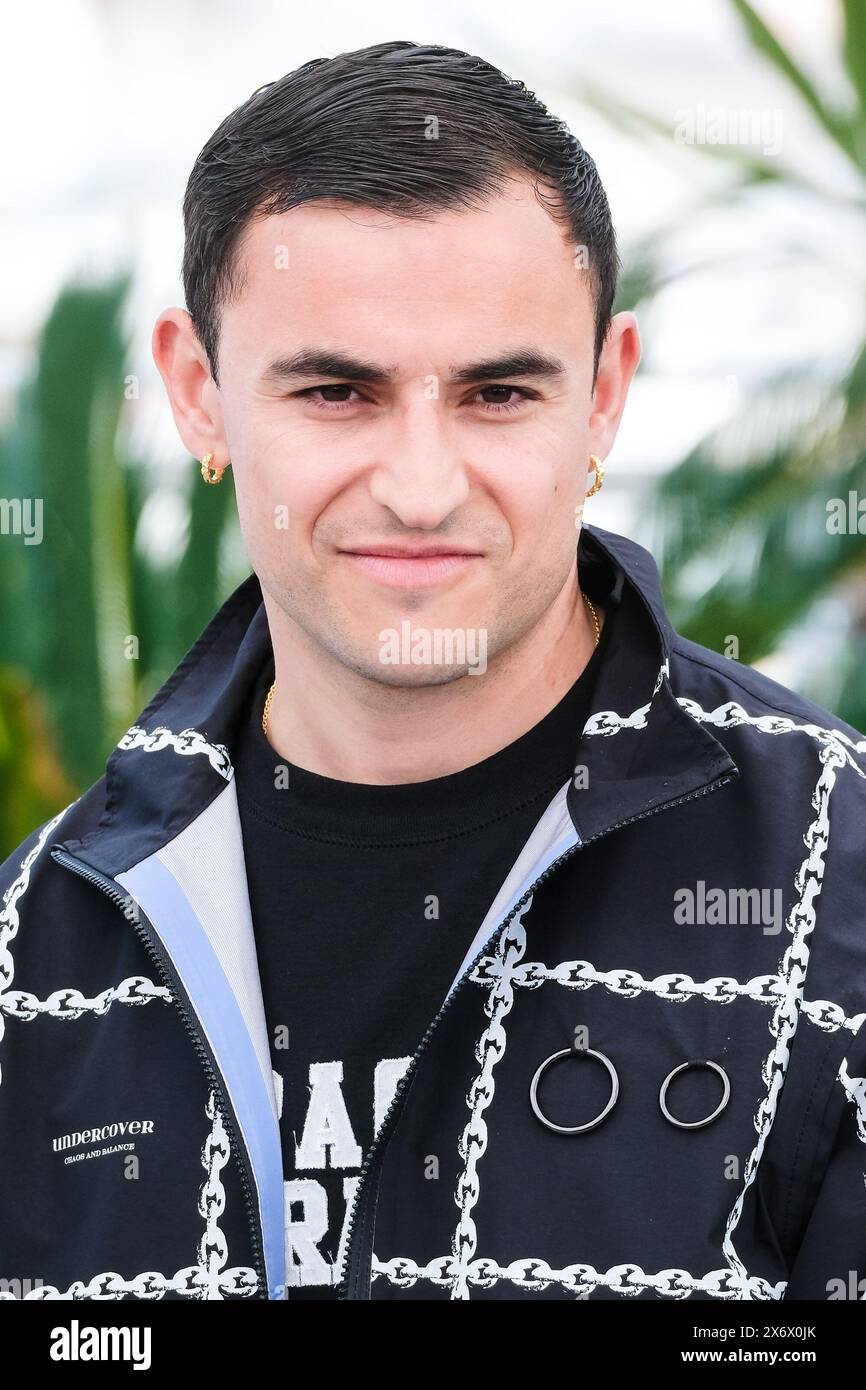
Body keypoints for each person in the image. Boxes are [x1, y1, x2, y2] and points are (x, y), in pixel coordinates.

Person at [1, 40, 864, 1304]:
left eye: (497, 392)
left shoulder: (839, 883)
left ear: (604, 395)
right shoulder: (34, 954)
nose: (419, 485)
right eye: (337, 390)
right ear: (196, 393)